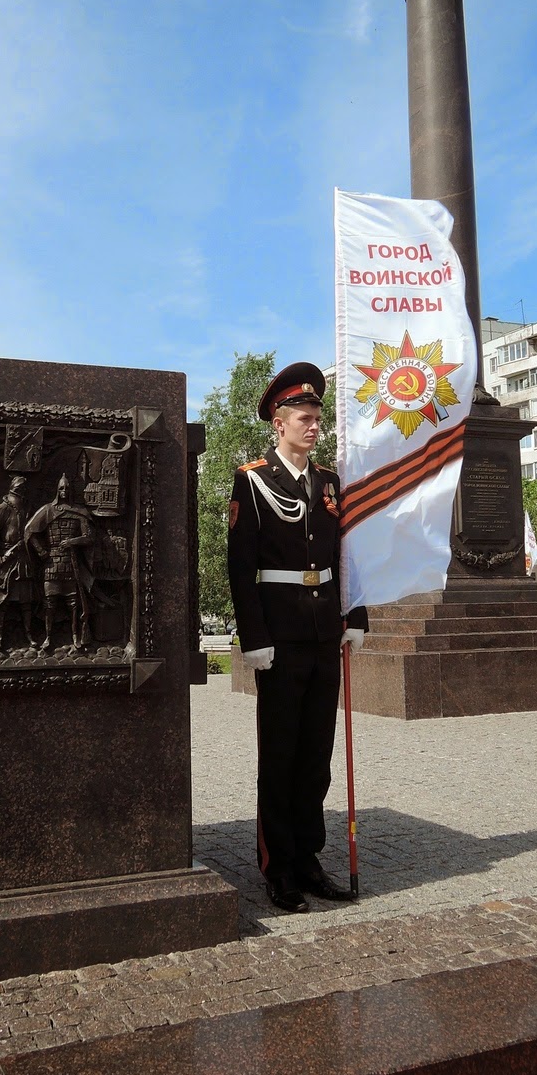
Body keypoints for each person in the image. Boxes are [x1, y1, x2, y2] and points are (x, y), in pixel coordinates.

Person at [227, 362, 368, 914]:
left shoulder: (330, 482)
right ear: (279, 423)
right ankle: (278, 866)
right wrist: (253, 636)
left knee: (316, 755)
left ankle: (309, 858)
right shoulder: (253, 479)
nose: (314, 427)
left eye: (317, 419)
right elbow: (241, 566)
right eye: (304, 419)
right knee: (281, 753)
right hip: (280, 638)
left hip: (323, 633)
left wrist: (356, 615)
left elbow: (347, 553)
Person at [25, 473, 95, 649]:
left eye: (67, 488)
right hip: (52, 564)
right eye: (61, 488)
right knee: (50, 604)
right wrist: (41, 551)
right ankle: (48, 637)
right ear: (57, 490)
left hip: (71, 564)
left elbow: (89, 538)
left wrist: (72, 541)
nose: (64, 491)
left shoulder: (79, 512)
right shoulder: (48, 510)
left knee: (73, 605)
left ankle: (75, 636)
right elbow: (30, 532)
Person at [0, 476, 38, 649]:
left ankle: (28, 634)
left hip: (23, 557)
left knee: (26, 601)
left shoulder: (26, 507)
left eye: (24, 488)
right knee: (3, 600)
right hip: (7, 558)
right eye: (20, 488)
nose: (23, 490)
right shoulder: (3, 507)